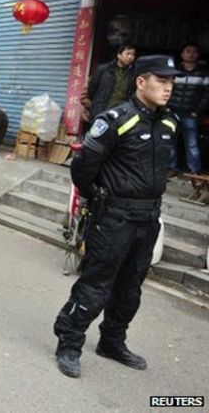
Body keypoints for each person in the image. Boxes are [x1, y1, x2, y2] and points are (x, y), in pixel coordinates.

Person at [53, 55, 181, 379]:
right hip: (114, 217)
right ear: (141, 82)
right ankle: (69, 342)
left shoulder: (169, 123)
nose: (168, 87)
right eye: (161, 81)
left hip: (148, 218)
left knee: (130, 289)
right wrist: (100, 198)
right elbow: (83, 169)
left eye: (171, 81)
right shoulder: (114, 120)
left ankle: (112, 341)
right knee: (96, 285)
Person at [168, 43, 209, 175]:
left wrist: (197, 111)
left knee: (192, 143)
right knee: (170, 141)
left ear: (198, 55)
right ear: (182, 54)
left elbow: (207, 95)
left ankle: (194, 171)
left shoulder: (203, 73)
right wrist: (166, 107)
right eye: (188, 51)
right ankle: (172, 168)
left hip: (190, 113)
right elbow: (166, 88)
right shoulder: (174, 71)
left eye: (194, 52)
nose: (191, 54)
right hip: (172, 111)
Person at [83, 44, 136, 125]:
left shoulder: (133, 74)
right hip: (101, 111)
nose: (130, 57)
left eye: (133, 55)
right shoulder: (103, 69)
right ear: (119, 55)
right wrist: (94, 105)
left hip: (120, 113)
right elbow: (92, 89)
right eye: (128, 53)